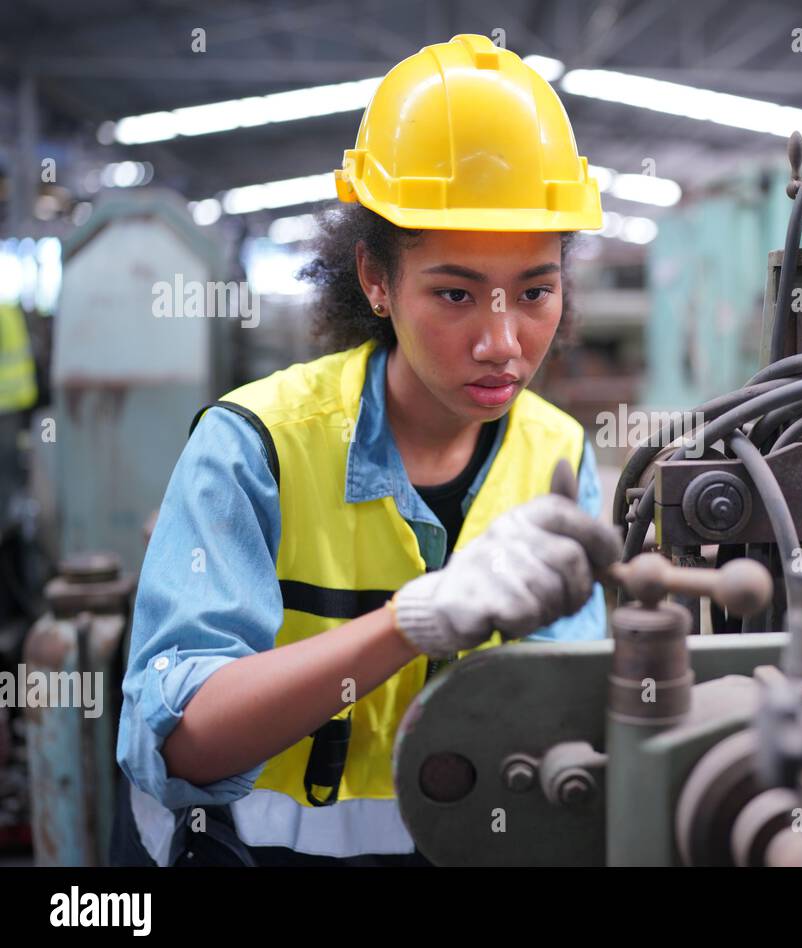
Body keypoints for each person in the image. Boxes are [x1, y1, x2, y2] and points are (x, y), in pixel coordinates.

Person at [113, 34, 617, 865]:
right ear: (375, 280)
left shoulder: (556, 451)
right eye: (454, 293)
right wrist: (410, 624)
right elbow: (181, 744)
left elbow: (556, 715)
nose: (502, 341)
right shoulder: (256, 447)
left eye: (535, 291)